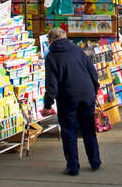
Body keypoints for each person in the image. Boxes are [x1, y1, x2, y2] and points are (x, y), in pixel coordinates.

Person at [43, 26, 102, 175]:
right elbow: (92, 72)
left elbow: (51, 84)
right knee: (88, 129)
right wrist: (94, 90)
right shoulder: (77, 50)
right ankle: (95, 162)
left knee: (69, 132)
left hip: (67, 98)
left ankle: (73, 167)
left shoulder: (51, 57)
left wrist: (48, 104)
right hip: (87, 94)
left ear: (51, 41)